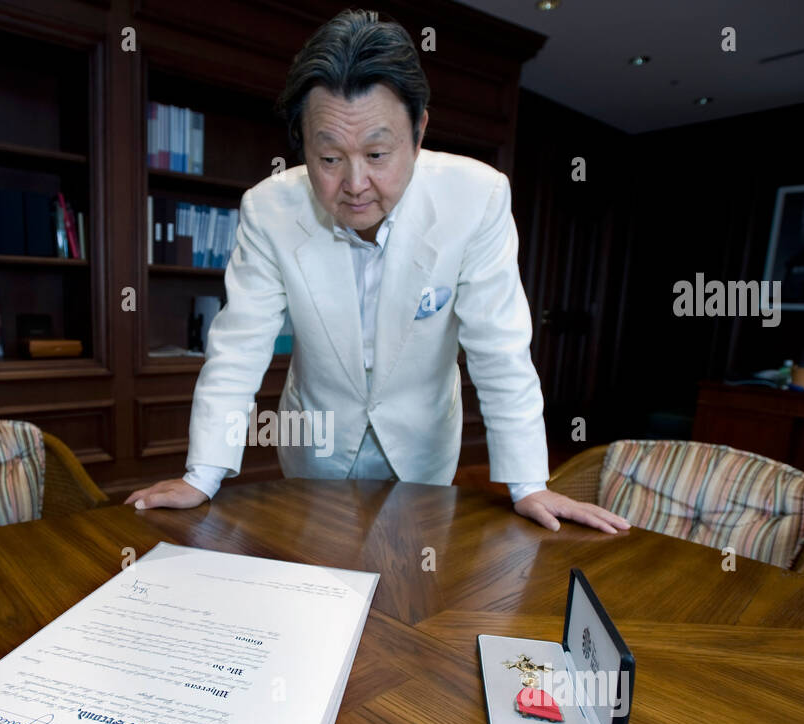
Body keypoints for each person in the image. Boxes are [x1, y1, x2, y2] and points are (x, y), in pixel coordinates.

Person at [126, 9, 628, 535]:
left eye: (377, 153)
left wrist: (529, 483)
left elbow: (500, 349)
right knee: (313, 581)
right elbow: (238, 347)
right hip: (314, 443)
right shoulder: (269, 209)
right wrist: (202, 475)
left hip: (424, 448)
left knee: (412, 580)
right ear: (303, 142)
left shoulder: (476, 198)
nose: (356, 183)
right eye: (329, 158)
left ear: (419, 131)